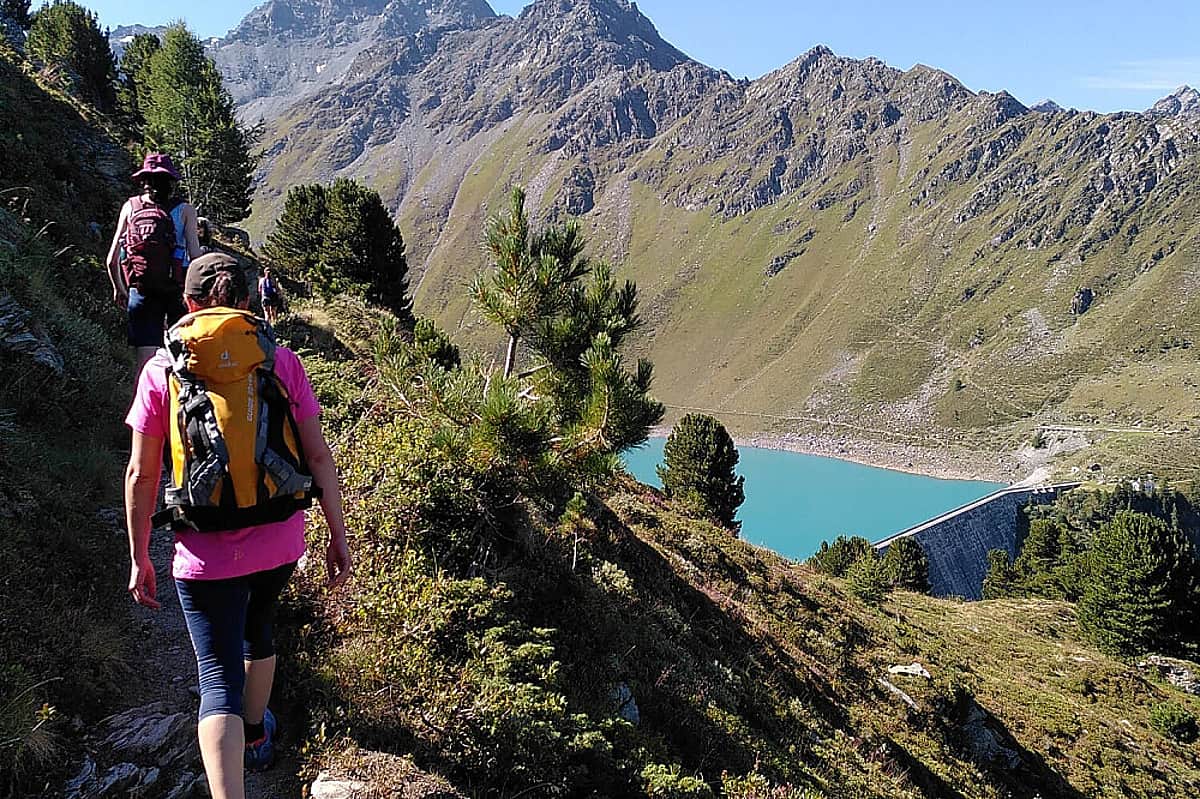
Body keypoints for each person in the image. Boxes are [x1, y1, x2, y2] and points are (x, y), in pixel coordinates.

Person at [124, 252, 352, 799]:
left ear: (189, 303)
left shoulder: (161, 370)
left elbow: (140, 473)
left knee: (215, 678)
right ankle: (256, 736)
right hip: (279, 538)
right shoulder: (283, 362)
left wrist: (138, 556)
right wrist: (338, 535)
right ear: (249, 302)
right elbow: (318, 458)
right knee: (260, 627)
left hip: (201, 550)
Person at [106, 153, 202, 380]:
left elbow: (111, 259)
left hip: (141, 290)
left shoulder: (130, 207)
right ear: (171, 180)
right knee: (184, 356)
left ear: (143, 180)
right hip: (177, 289)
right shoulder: (185, 210)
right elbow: (196, 258)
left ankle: (147, 409)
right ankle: (181, 408)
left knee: (146, 363)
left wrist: (119, 289)